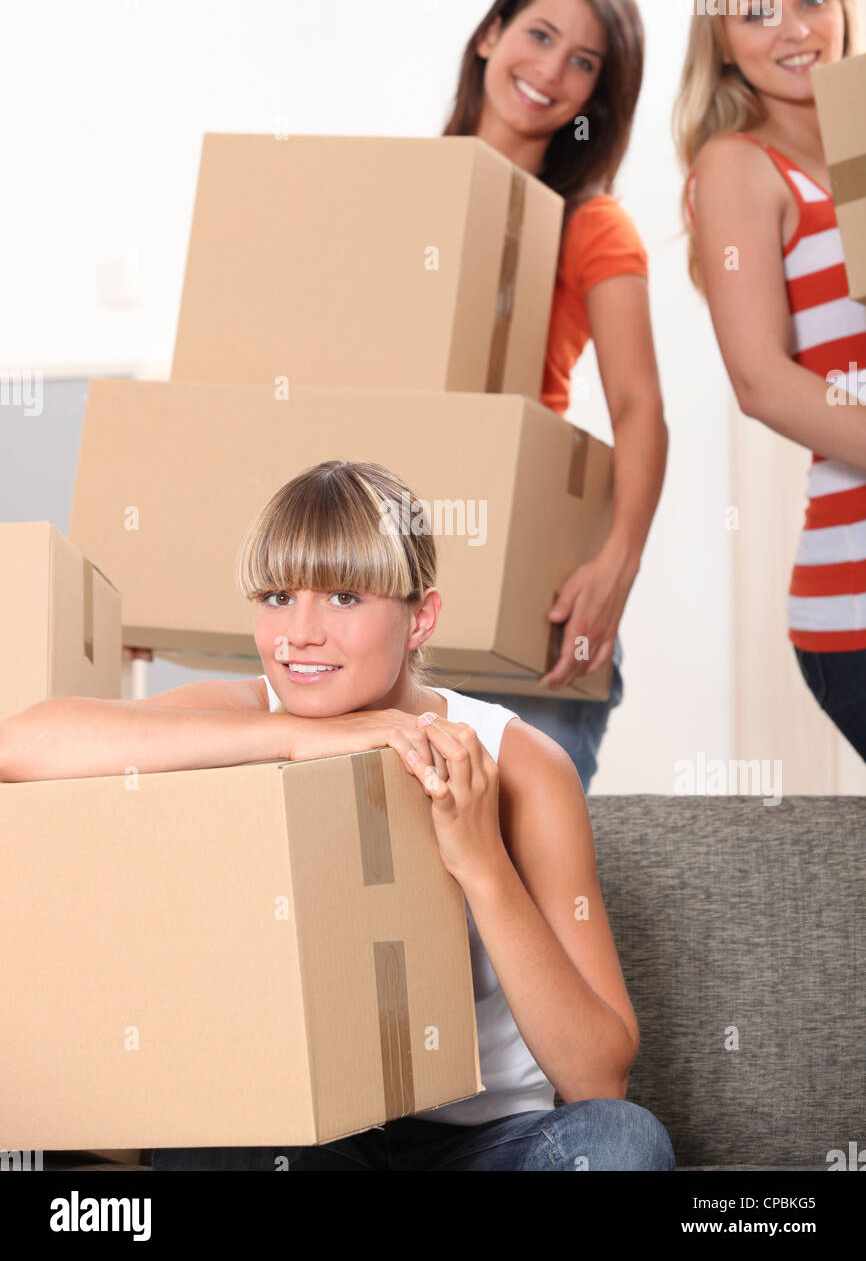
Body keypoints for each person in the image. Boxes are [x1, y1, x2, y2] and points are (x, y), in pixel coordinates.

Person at [1, 460, 675, 1172]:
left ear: (421, 618)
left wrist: (481, 864)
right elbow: (19, 748)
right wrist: (296, 736)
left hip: (484, 1144)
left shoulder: (523, 764)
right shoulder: (250, 713)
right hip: (312, 1136)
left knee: (622, 1144)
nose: (299, 634)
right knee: (204, 1136)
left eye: (345, 597)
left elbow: (600, 1077)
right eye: (276, 596)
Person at [441, 0, 668, 792]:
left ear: (598, 98)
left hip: (522, 580)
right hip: (389, 573)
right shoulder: (401, 196)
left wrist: (617, 565)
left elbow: (641, 405)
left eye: (584, 62)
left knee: (523, 877)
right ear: (490, 34)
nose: (550, 72)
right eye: (539, 35)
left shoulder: (593, 225)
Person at [674, 0, 866, 761]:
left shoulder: (860, 139)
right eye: (756, 12)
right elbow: (761, 380)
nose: (794, 28)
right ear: (719, 42)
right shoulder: (738, 165)